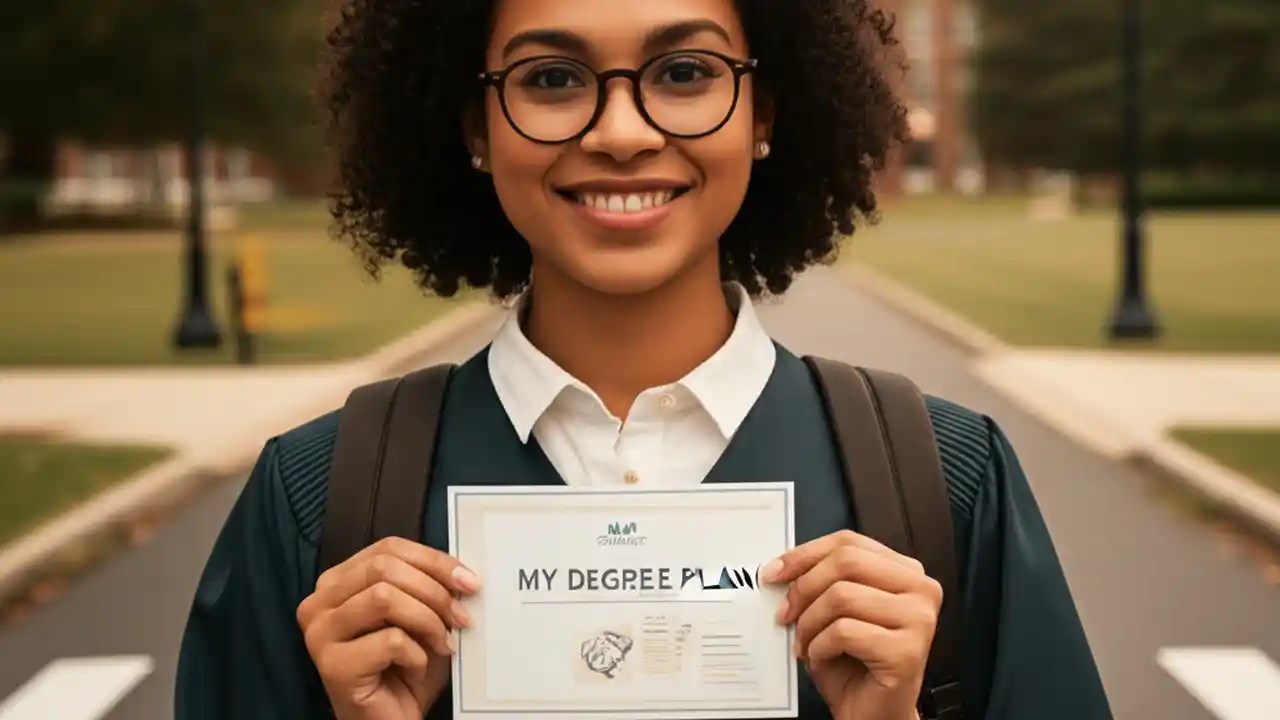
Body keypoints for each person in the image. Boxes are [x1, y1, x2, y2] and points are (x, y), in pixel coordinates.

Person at [174, 1, 1114, 719]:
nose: (621, 134)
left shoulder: (942, 481)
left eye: (685, 70)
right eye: (549, 79)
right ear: (474, 128)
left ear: (763, 114)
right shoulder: (316, 499)